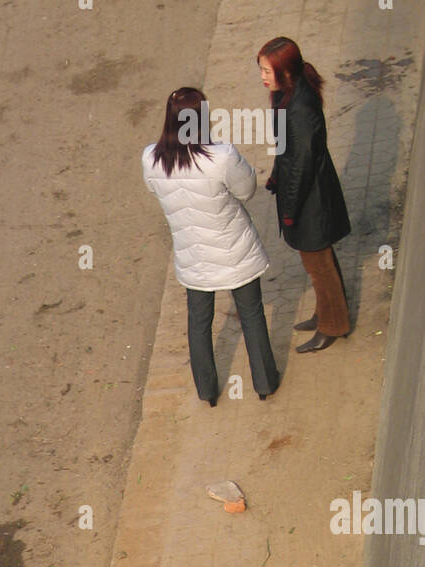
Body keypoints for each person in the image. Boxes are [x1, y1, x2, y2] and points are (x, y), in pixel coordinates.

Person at [142, 88, 280, 406]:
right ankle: (264, 383)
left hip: (193, 256)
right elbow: (246, 191)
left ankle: (207, 391)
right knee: (252, 314)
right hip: (235, 250)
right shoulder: (221, 156)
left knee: (198, 321)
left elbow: (156, 191)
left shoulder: (151, 158)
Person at [258, 37, 351, 353]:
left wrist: (289, 210)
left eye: (267, 70)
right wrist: (275, 174)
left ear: (285, 71)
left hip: (312, 201)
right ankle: (326, 312)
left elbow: (302, 163)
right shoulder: (287, 96)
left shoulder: (299, 107)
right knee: (319, 262)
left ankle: (333, 324)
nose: (263, 77)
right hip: (305, 196)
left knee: (319, 265)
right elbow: (286, 150)